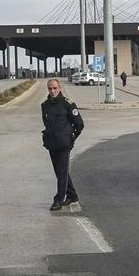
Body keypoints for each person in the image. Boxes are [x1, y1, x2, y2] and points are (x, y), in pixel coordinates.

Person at [41, 78, 83, 210]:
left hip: (64, 143)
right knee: (60, 172)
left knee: (62, 171)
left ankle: (59, 199)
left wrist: (71, 138)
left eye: (54, 88)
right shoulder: (45, 105)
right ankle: (72, 196)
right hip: (52, 143)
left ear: (59, 88)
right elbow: (47, 123)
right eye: (50, 88)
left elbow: (79, 124)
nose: (52, 91)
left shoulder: (68, 104)